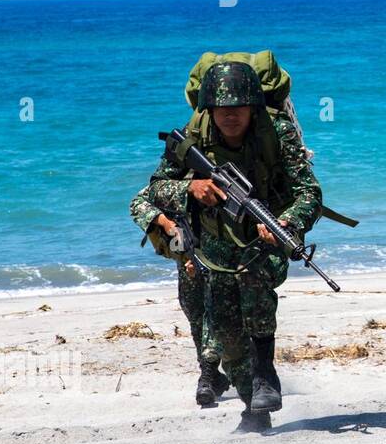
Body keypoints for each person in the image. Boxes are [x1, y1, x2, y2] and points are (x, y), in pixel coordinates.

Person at [135, 62, 322, 414]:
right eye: (222, 110)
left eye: (238, 109)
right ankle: (254, 409)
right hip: (212, 248)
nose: (230, 117)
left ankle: (266, 374)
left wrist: (288, 223)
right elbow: (157, 189)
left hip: (263, 241)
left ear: (253, 107)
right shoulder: (194, 136)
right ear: (209, 109)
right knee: (226, 335)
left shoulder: (277, 133)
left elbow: (309, 192)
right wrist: (192, 187)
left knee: (256, 294)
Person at [129, 185, 231, 405]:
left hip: (221, 256)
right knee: (194, 312)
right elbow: (138, 204)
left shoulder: (220, 179)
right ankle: (214, 375)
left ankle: (207, 374)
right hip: (186, 255)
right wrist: (165, 223)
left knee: (213, 315)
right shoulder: (175, 179)